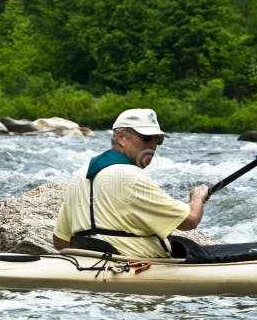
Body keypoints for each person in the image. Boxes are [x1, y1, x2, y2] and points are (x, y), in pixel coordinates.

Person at [53, 108, 209, 258]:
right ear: (121, 137)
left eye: (158, 139)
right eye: (147, 138)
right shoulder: (132, 176)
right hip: (132, 267)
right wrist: (197, 198)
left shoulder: (80, 174)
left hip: (88, 263)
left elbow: (60, 241)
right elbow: (191, 220)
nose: (154, 144)